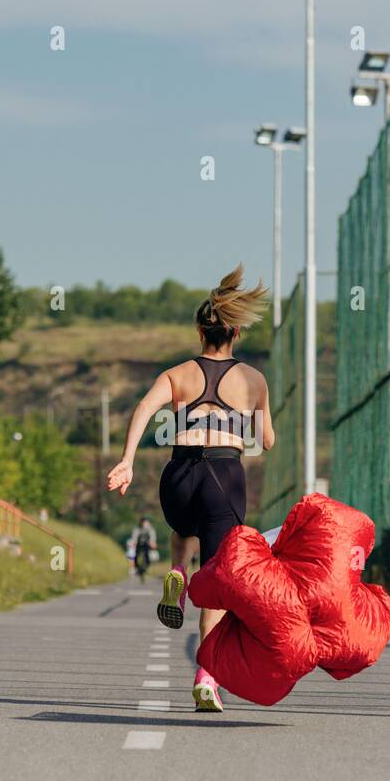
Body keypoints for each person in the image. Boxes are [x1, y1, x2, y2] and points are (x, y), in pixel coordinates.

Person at [106, 265, 275, 712]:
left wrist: (126, 461)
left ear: (200, 329)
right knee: (217, 584)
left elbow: (143, 407)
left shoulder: (177, 373)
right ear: (235, 331)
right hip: (225, 476)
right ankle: (206, 679)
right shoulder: (253, 379)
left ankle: (178, 575)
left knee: (183, 527)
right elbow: (268, 440)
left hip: (178, 475)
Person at [127, 517, 159, 581]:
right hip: (139, 544)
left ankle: (146, 566)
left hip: (147, 544)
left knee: (147, 555)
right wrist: (134, 542)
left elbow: (152, 536)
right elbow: (135, 536)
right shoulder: (137, 529)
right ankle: (137, 567)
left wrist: (153, 543)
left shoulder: (150, 529)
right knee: (136, 554)